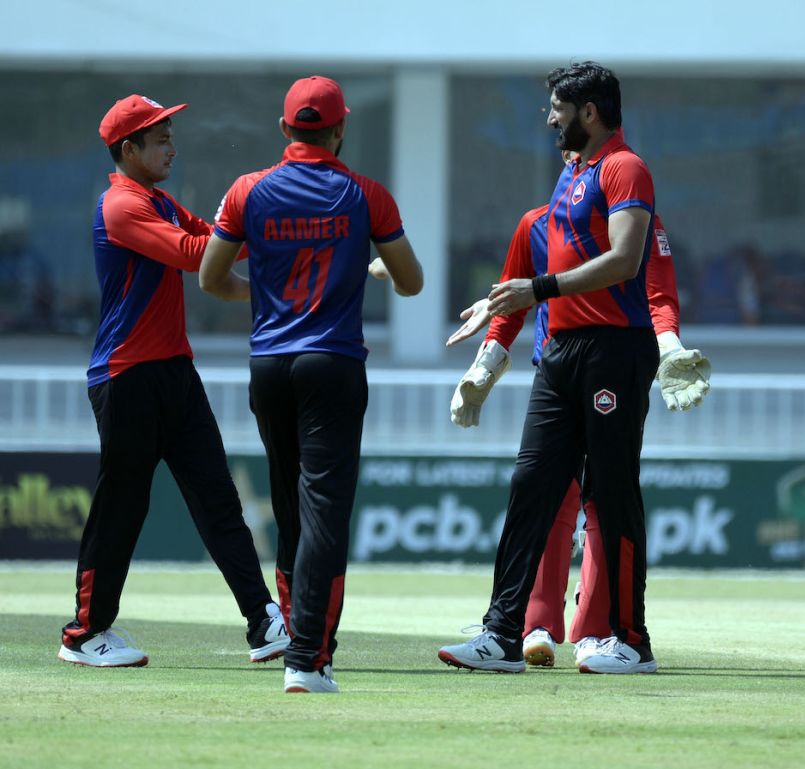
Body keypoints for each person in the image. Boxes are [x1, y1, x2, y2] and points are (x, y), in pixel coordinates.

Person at [199, 76, 423, 693]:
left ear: (284, 130)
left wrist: (267, 294)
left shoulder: (248, 190)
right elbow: (411, 283)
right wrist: (368, 266)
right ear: (340, 129)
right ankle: (308, 657)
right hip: (332, 364)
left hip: (269, 364)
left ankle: (298, 641)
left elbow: (211, 279)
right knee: (325, 508)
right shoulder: (366, 194)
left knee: (291, 505)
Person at [437, 61, 663, 674]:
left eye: (558, 107)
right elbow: (548, 257)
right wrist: (506, 310)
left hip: (613, 348)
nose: (550, 118)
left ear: (589, 112)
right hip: (560, 354)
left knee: (612, 494)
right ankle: (502, 634)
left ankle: (631, 641)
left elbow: (624, 260)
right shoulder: (574, 174)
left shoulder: (623, 167)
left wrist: (538, 289)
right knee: (530, 487)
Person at [58, 95, 289, 669]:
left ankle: (263, 621)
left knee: (219, 500)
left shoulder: (159, 200)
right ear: (128, 149)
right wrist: (269, 238)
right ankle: (85, 635)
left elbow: (216, 249)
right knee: (122, 507)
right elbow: (196, 255)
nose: (171, 147)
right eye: (160, 139)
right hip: (126, 375)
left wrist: (295, 268)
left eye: (169, 136)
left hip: (173, 373)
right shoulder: (120, 206)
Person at [444, 179, 709, 669]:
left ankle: (594, 631)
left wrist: (669, 346)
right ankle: (535, 623)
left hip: (611, 365)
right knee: (550, 493)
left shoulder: (636, 219)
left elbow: (658, 292)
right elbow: (511, 303)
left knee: (604, 498)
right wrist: (484, 367)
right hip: (556, 368)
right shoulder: (536, 224)